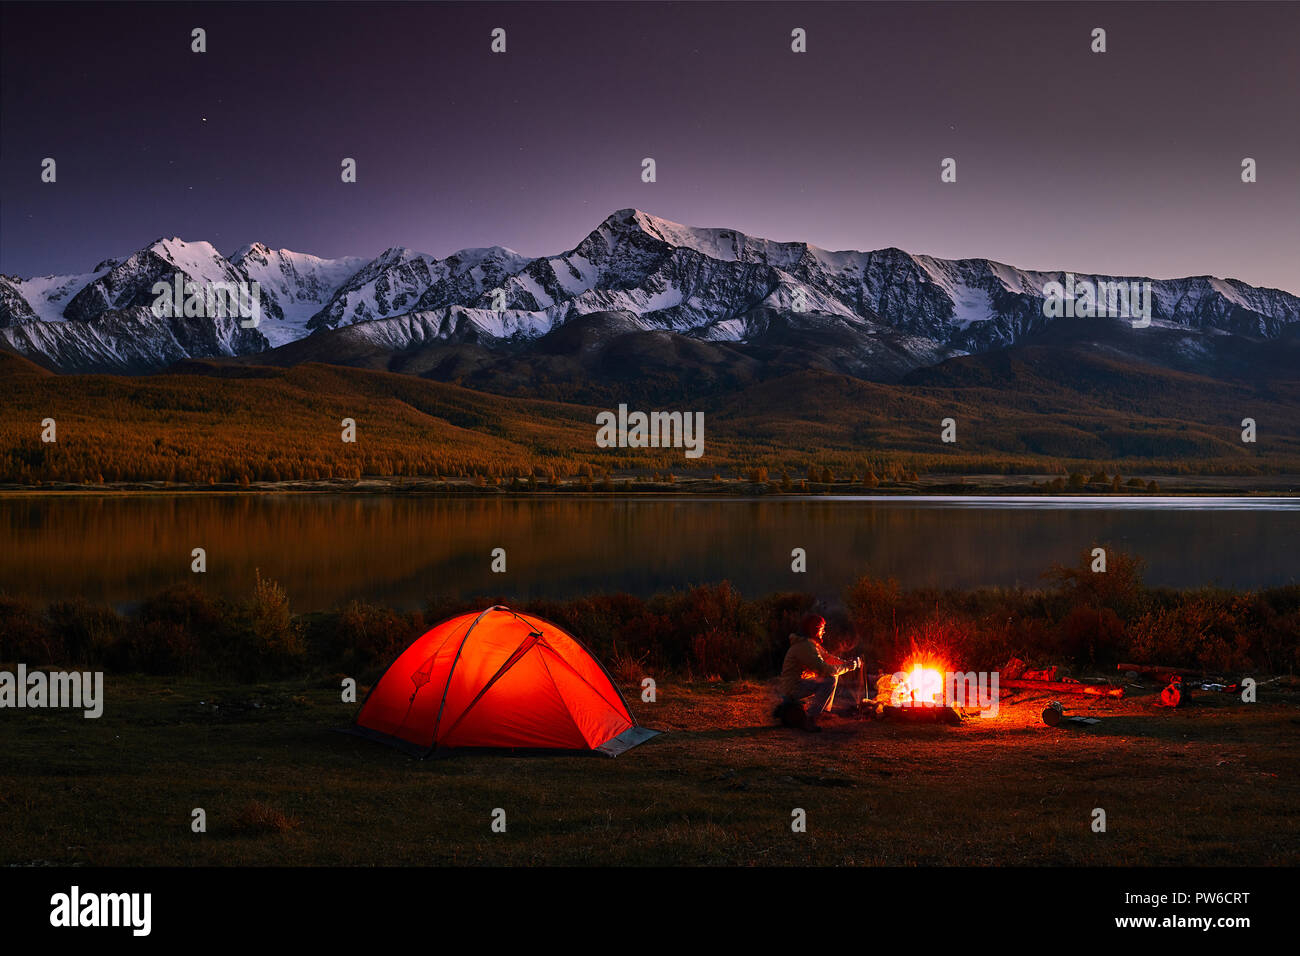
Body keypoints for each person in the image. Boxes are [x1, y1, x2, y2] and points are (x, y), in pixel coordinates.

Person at [776, 614, 860, 732]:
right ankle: (809, 719)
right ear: (814, 630)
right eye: (821, 629)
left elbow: (827, 658)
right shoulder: (804, 646)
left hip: (798, 684)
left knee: (832, 677)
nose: (823, 632)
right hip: (794, 688)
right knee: (830, 679)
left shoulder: (810, 644)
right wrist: (847, 667)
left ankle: (824, 712)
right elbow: (824, 669)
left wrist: (846, 663)